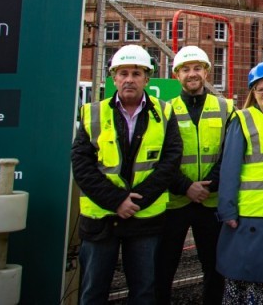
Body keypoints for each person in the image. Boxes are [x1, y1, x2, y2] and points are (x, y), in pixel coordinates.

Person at [72, 44, 183, 305]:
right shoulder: (93, 113)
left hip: (144, 219)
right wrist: (116, 201)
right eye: (123, 73)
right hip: (102, 219)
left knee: (144, 292)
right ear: (114, 78)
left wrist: (136, 201)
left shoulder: (164, 113)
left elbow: (170, 161)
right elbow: (82, 165)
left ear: (147, 78)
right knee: (93, 292)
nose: (129, 79)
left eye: (136, 73)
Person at [155, 46, 232, 305]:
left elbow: (230, 153)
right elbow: (159, 157)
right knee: (163, 268)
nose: (192, 74)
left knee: (215, 269)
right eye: (186, 69)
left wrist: (209, 186)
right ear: (176, 75)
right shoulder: (164, 110)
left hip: (211, 203)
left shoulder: (225, 108)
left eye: (197, 68)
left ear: (207, 72)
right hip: (175, 203)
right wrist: (186, 186)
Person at [215, 62, 263, 304]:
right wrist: (227, 210)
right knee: (248, 272)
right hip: (252, 212)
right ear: (253, 92)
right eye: (260, 89)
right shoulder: (243, 120)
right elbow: (229, 169)